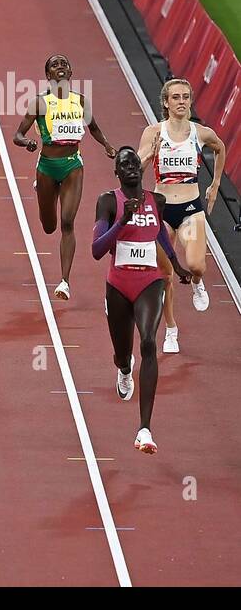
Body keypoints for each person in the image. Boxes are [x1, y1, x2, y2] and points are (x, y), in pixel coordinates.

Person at [93, 147, 192, 454]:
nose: (132, 167)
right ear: (117, 173)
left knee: (148, 341)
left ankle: (144, 429)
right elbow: (97, 249)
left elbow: (160, 234)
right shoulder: (108, 201)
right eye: (125, 164)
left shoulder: (156, 201)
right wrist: (122, 221)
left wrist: (175, 265)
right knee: (123, 353)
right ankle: (124, 370)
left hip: (149, 281)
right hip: (119, 284)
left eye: (135, 162)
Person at [11, 53, 116, 299]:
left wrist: (107, 146)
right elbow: (17, 134)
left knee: (67, 222)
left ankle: (64, 282)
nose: (60, 67)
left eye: (63, 64)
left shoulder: (80, 101)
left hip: (72, 166)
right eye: (54, 65)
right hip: (47, 166)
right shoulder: (40, 103)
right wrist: (26, 142)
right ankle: (44, 189)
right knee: (49, 226)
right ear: (48, 75)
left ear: (70, 72)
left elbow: (94, 128)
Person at [135, 78, 227, 352]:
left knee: (197, 264)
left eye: (185, 97)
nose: (181, 101)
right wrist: (145, 158)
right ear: (165, 102)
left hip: (190, 208)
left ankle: (198, 283)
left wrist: (216, 183)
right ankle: (171, 330)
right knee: (165, 276)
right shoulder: (153, 132)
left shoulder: (200, 133)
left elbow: (220, 147)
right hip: (162, 210)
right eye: (175, 97)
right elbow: (135, 170)